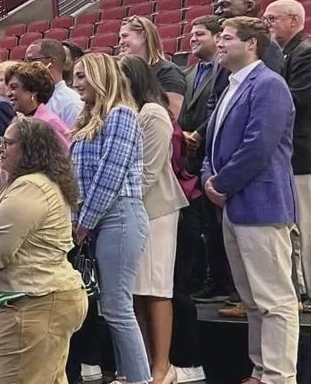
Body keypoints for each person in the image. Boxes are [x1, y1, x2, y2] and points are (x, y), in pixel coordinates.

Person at [201, 16, 299, 384]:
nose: (220, 43)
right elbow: (213, 143)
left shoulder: (269, 85)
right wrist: (209, 176)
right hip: (232, 204)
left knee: (274, 299)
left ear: (251, 44)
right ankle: (261, 370)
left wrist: (221, 182)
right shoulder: (230, 86)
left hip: (260, 203)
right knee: (253, 300)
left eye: (227, 38)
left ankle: (278, 376)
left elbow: (258, 146)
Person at [0, 117, 88, 384]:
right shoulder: (26, 184)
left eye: (8, 143)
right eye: (1, 142)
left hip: (32, 303)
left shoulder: (32, 187)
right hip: (38, 300)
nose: (1, 148)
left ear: (31, 149)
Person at [69, 53, 152, 384]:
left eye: (81, 77)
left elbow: (110, 176)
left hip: (119, 215)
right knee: (112, 307)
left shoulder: (122, 116)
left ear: (99, 76)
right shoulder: (90, 117)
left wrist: (83, 222)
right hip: (100, 219)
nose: (75, 84)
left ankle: (140, 379)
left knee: (118, 307)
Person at [120, 56, 189, 384]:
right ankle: (143, 365)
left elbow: (149, 170)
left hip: (156, 211)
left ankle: (163, 366)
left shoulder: (154, 113)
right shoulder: (124, 113)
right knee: (134, 292)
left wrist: (120, 206)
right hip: (132, 212)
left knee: (156, 288)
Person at [265, 0, 311, 313]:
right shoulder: (284, 55)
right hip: (288, 155)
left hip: (305, 152)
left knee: (310, 226)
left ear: (293, 20)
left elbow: (298, 98)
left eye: (273, 18)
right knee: (292, 228)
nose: (267, 24)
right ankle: (301, 291)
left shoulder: (308, 54)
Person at [179, 16, 230, 304]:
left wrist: (198, 134)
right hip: (192, 157)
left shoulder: (224, 71)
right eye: (191, 33)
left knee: (218, 225)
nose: (193, 38)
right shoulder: (188, 74)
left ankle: (223, 282)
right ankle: (211, 278)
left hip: (213, 150)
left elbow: (221, 109)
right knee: (205, 225)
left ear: (216, 37)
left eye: (200, 33)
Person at [118, 17, 187, 120]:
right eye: (120, 38)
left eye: (125, 36)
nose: (120, 42)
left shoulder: (168, 72)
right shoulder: (123, 72)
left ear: (144, 36)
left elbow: (170, 117)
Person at [3, 60, 72, 148]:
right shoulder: (20, 120)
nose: (8, 94)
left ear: (33, 91)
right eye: (8, 88)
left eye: (14, 87)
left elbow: (68, 155)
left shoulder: (49, 122)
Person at [25, 39, 84, 128]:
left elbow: (72, 140)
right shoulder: (29, 98)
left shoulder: (71, 103)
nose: (26, 66)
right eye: (25, 61)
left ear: (51, 62)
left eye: (31, 60)